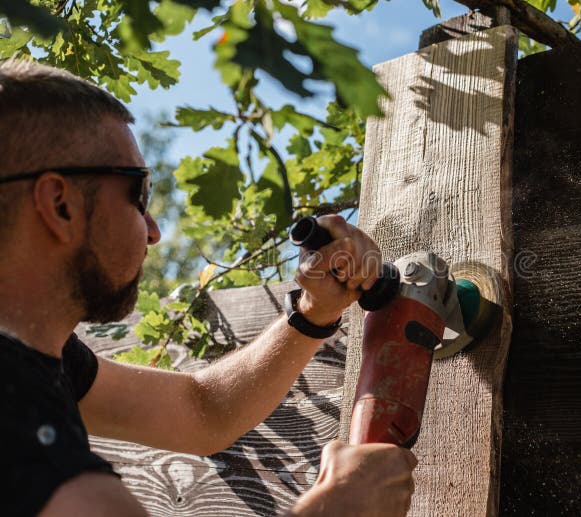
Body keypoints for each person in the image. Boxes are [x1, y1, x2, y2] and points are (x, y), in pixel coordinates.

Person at [0, 59, 416, 517]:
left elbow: (204, 412)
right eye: (139, 195)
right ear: (61, 204)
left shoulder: (50, 365)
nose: (154, 231)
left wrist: (312, 311)